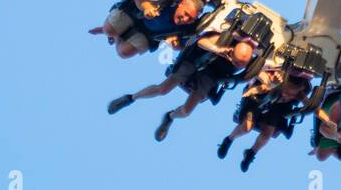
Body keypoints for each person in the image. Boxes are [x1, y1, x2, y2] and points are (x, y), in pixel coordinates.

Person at [107, 29, 263, 142]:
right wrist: (219, 50)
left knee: (187, 110)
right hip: (194, 61)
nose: (234, 63)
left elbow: (251, 75)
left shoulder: (251, 58)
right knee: (163, 89)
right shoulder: (225, 36)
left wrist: (239, 77)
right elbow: (202, 41)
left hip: (213, 76)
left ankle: (169, 117)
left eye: (239, 64)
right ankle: (131, 98)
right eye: (234, 58)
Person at [217, 70, 313, 170]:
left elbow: (313, 107)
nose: (288, 96)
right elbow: (260, 87)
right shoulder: (273, 79)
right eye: (287, 92)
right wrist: (252, 90)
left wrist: (326, 120)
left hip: (278, 107)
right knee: (247, 127)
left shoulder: (299, 92)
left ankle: (251, 152)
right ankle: (228, 140)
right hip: (258, 98)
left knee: (267, 135)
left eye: (292, 94)